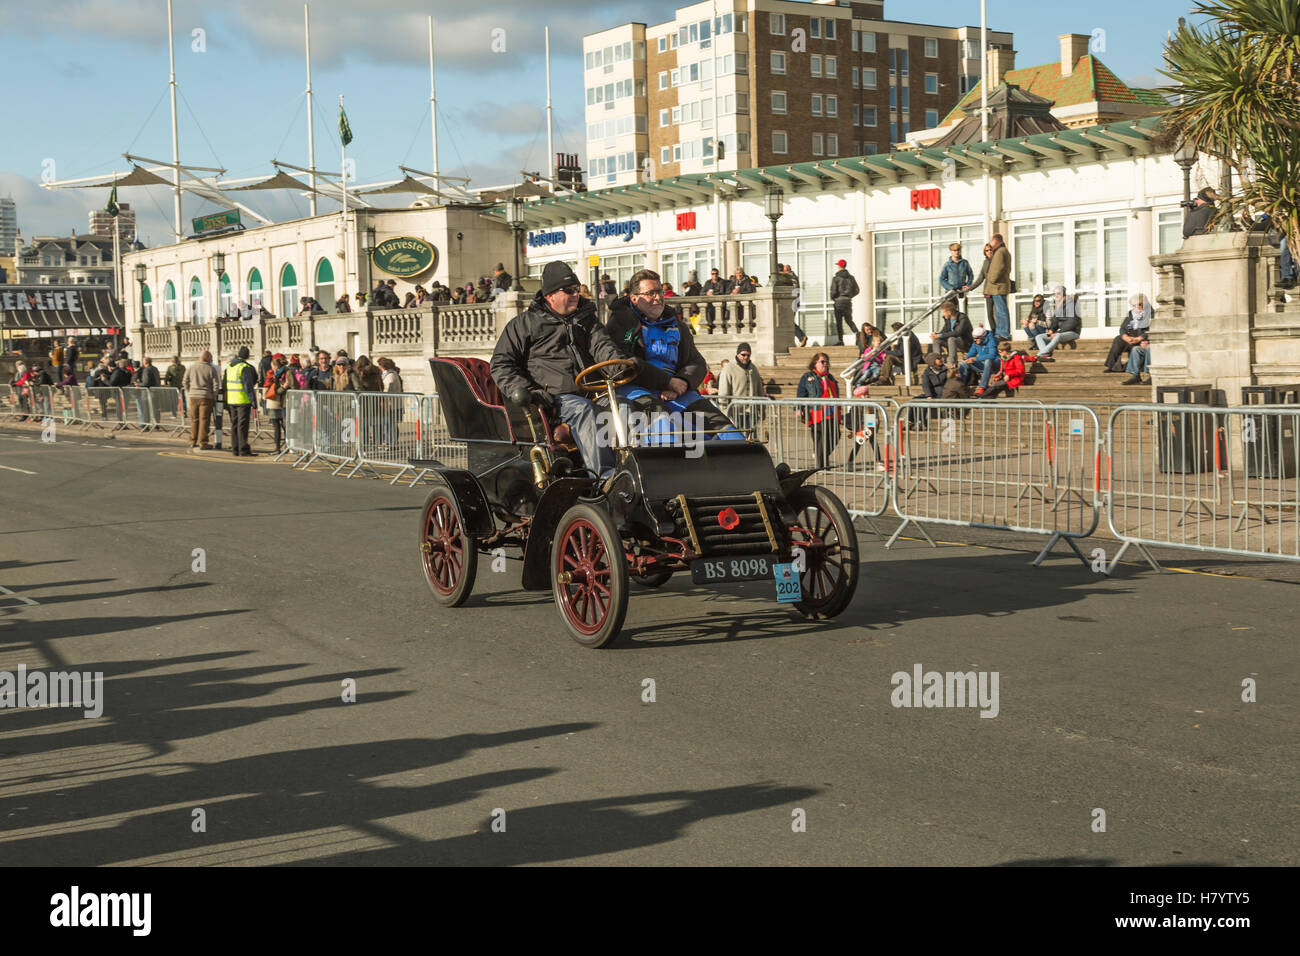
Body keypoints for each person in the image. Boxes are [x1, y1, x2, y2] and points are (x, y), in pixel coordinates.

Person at [490, 260, 628, 481]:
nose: (576, 294)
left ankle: (635, 472)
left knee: (625, 406)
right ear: (550, 295)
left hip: (592, 392)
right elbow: (501, 364)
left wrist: (619, 366)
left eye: (577, 289)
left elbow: (603, 346)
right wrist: (528, 392)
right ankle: (607, 480)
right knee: (584, 410)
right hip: (554, 401)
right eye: (569, 290)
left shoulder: (586, 320)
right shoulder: (524, 324)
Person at [605, 269, 744, 448]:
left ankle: (745, 464)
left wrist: (682, 382)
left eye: (659, 291)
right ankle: (672, 471)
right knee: (661, 421)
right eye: (650, 293)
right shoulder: (620, 322)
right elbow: (624, 363)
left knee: (720, 425)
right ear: (634, 298)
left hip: (678, 390)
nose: (657, 297)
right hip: (637, 388)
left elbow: (697, 362)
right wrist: (667, 382)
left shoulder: (676, 324)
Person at [797, 352, 841, 469]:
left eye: (826, 362)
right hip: (817, 412)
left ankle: (820, 457)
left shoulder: (830, 377)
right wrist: (798, 408)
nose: (825, 364)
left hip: (831, 411)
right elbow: (801, 394)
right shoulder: (808, 377)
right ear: (815, 363)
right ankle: (822, 465)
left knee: (836, 435)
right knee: (822, 438)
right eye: (822, 362)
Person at [717, 342, 765, 435]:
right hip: (735, 412)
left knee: (751, 439)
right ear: (737, 354)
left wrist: (762, 409)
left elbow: (759, 390)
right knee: (737, 439)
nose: (746, 357)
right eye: (743, 355)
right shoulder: (729, 369)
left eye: (748, 355)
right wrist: (725, 412)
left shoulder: (753, 368)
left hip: (751, 412)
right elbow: (723, 392)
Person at [223, 346, 259, 456]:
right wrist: (253, 401)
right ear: (247, 356)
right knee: (242, 426)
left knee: (234, 424)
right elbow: (248, 386)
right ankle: (243, 449)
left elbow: (224, 384)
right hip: (242, 400)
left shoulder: (229, 367)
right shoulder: (244, 367)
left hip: (232, 400)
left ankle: (235, 448)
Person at [1104, 293, 1154, 371]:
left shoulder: (1152, 314)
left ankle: (1128, 367)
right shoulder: (1131, 314)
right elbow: (1123, 327)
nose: (1134, 308)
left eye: (1136, 305)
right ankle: (1111, 365)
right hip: (1131, 338)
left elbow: (1152, 330)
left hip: (1142, 340)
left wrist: (1140, 338)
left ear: (1143, 305)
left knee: (1138, 348)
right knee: (1118, 340)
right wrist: (1125, 336)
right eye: (1133, 306)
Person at [1034, 286, 1082, 360]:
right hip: (1060, 332)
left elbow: (1071, 323)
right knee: (1039, 337)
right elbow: (1055, 321)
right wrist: (1051, 330)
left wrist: (1058, 332)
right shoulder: (1058, 305)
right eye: (1054, 294)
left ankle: (1041, 354)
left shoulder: (1071, 305)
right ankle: (1046, 354)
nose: (1056, 296)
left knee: (1057, 336)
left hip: (1073, 332)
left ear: (1064, 294)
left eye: (1058, 294)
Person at [961, 243, 995, 328]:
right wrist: (970, 287)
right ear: (985, 252)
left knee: (999, 313)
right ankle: (995, 333)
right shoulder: (985, 262)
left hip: (997, 290)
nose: (989, 251)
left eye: (990, 249)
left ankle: (1002, 333)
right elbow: (981, 277)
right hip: (988, 291)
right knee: (989, 314)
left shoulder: (997, 260)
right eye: (987, 250)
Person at [986, 233, 1012, 340]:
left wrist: (991, 280)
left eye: (991, 241)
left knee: (1001, 311)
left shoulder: (1000, 252)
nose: (990, 244)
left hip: (998, 287)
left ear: (996, 241)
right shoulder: (1002, 251)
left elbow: (998, 268)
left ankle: (1004, 334)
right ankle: (999, 333)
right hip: (998, 287)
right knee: (999, 312)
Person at [960, 326, 1001, 395]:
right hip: (983, 365)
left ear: (983, 337)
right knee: (963, 363)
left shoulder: (991, 341)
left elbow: (992, 355)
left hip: (995, 365)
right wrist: (966, 358)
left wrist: (975, 359)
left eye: (977, 338)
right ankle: (961, 386)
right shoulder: (976, 343)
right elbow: (971, 352)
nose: (975, 340)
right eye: (974, 338)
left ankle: (982, 387)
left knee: (988, 360)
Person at [829, 258, 860, 344]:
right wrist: (849, 296)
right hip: (847, 301)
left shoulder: (836, 278)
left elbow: (834, 291)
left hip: (839, 302)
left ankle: (840, 340)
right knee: (849, 320)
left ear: (839, 266)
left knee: (839, 322)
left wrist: (833, 298)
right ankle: (858, 334)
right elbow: (857, 290)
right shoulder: (851, 278)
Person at [263, 354, 287, 452]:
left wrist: (264, 396)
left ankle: (277, 447)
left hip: (273, 402)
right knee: (285, 426)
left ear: (275, 365)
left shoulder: (270, 374)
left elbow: (266, 386)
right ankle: (286, 445)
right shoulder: (285, 372)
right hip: (283, 401)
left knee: (276, 426)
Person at [131, 356, 161, 429]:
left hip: (147, 393)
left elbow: (146, 382)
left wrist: (138, 384)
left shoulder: (146, 370)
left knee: (146, 410)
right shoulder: (155, 368)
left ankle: (146, 425)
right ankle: (156, 424)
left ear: (145, 362)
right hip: (155, 391)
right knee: (155, 409)